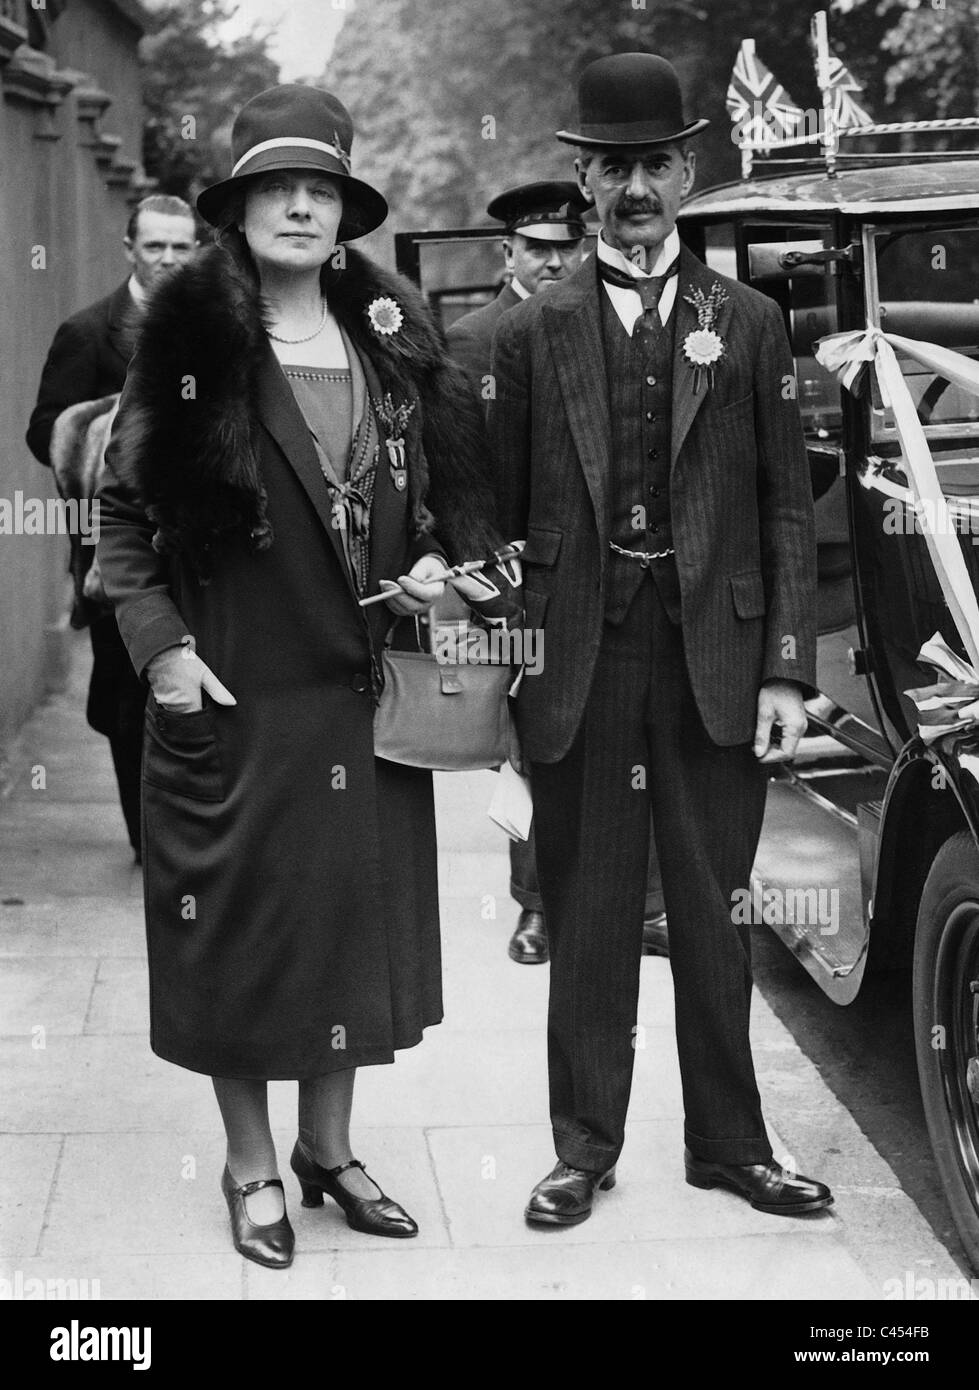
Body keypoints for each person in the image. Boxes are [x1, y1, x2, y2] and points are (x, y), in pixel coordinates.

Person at [96, 84, 506, 1268]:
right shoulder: (189, 352)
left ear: (344, 212)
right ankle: (249, 1166)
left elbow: (436, 500)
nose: (299, 207)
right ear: (238, 208)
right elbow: (122, 523)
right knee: (241, 938)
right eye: (276, 188)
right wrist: (165, 654)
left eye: (319, 189)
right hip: (236, 699)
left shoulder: (393, 345)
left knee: (349, 932)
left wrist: (436, 563)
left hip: (358, 700)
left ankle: (328, 1152)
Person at [489, 53, 833, 1226]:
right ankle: (582, 1148)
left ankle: (730, 1144)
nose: (635, 188)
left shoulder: (750, 325)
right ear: (582, 183)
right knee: (586, 909)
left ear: (688, 170)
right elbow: (496, 514)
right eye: (612, 167)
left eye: (654, 164)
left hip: (716, 658)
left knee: (714, 906)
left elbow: (786, 506)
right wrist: (499, 658)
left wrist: (789, 666)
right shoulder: (533, 331)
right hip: (580, 659)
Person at [447, 182, 669, 964]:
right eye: (533, 248)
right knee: (533, 741)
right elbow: (462, 472)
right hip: (515, 570)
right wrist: (488, 585)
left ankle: (639, 905)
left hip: (608, 561)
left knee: (629, 726)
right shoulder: (471, 340)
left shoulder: (600, 319)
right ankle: (536, 905)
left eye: (563, 247)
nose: (550, 261)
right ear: (504, 252)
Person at [27, 195, 198, 862]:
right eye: (155, 246)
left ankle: (191, 828)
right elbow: (46, 432)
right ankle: (148, 839)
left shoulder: (212, 324)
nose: (168, 260)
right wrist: (124, 425)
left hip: (196, 547)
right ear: (130, 249)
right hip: (114, 549)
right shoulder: (88, 331)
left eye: (181, 247)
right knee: (127, 695)